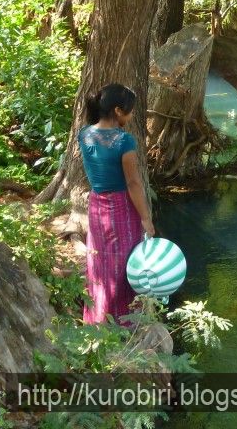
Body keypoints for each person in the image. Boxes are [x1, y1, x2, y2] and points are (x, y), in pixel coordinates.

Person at [78, 83, 155, 324]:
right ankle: (123, 320)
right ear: (119, 111)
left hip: (97, 205)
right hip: (120, 207)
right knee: (125, 261)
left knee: (100, 259)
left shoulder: (85, 134)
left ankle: (96, 316)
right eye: (131, 111)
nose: (132, 115)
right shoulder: (124, 141)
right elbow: (133, 183)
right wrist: (146, 218)